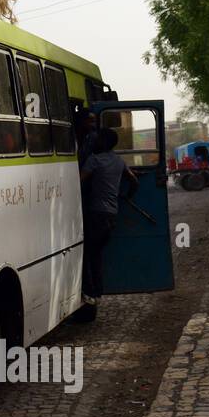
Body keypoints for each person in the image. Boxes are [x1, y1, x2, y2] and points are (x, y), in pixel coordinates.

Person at [79, 127, 138, 307]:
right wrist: (127, 196)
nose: (94, 141)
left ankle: (90, 292)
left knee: (87, 253)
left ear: (103, 142)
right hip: (112, 215)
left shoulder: (94, 160)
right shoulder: (119, 161)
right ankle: (97, 290)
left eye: (97, 139)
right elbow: (134, 181)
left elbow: (78, 180)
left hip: (96, 213)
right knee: (96, 253)